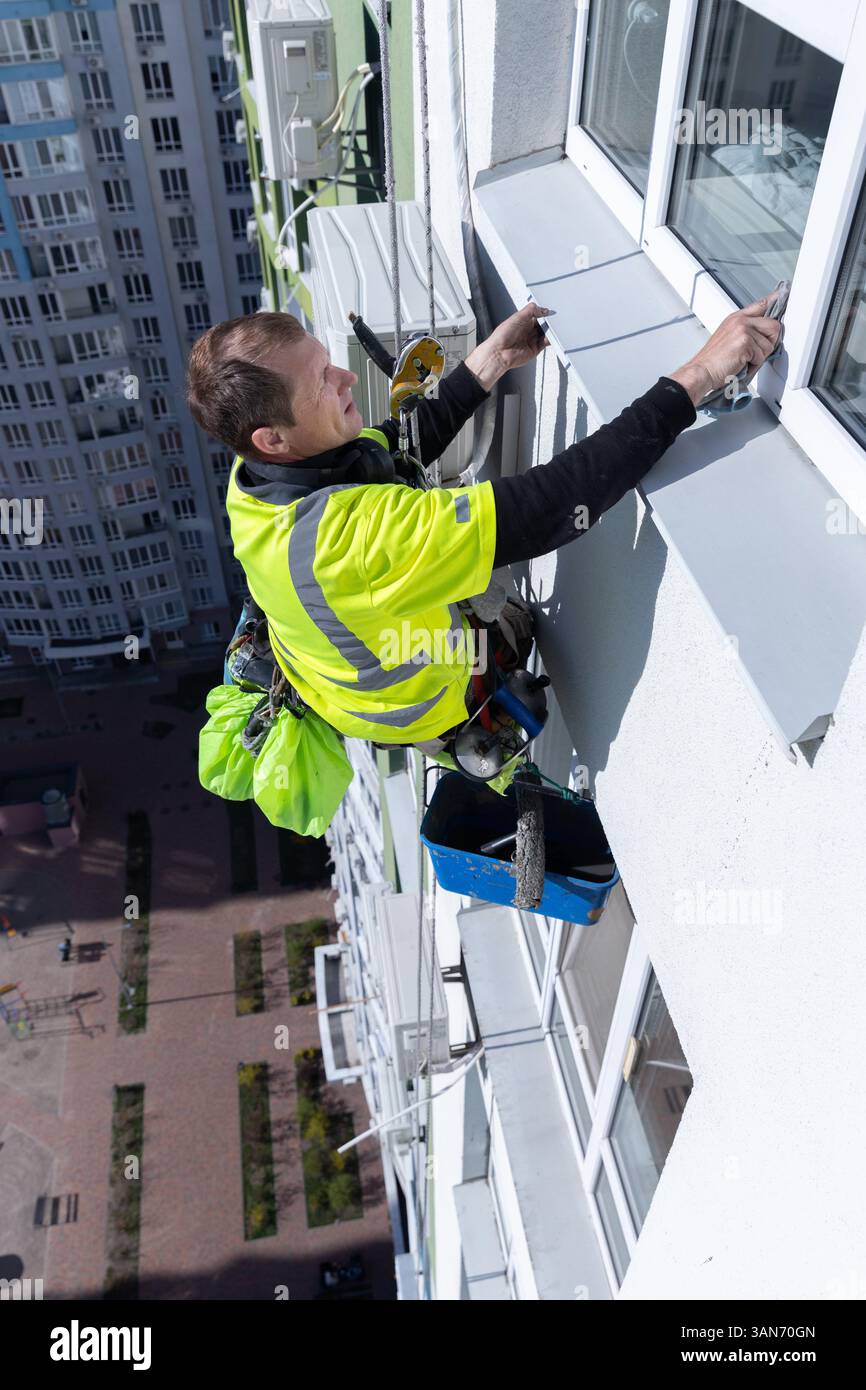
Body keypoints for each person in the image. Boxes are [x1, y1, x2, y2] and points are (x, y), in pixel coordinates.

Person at [185, 295, 781, 755]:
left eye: (327, 361)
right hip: (418, 705)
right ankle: (478, 716)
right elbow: (554, 503)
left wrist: (488, 363)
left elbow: (389, 452)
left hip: (338, 670)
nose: (344, 378)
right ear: (274, 438)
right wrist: (702, 372)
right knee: (513, 632)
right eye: (322, 382)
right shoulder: (357, 543)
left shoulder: (261, 474)